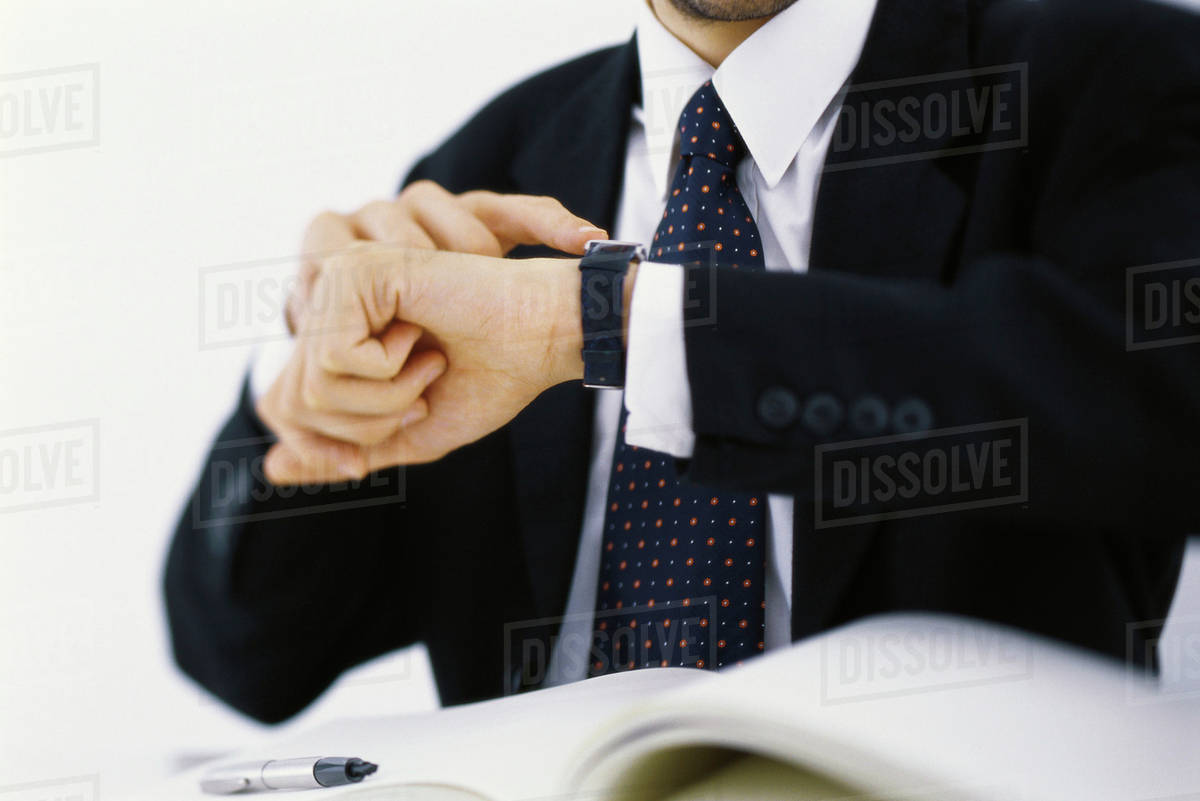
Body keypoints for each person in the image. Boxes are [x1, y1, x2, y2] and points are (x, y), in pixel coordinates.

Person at [165, 0, 1200, 723]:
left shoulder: (1110, 75)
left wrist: (598, 325)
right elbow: (245, 657)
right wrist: (301, 371)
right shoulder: (486, 167)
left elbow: (1153, 402)